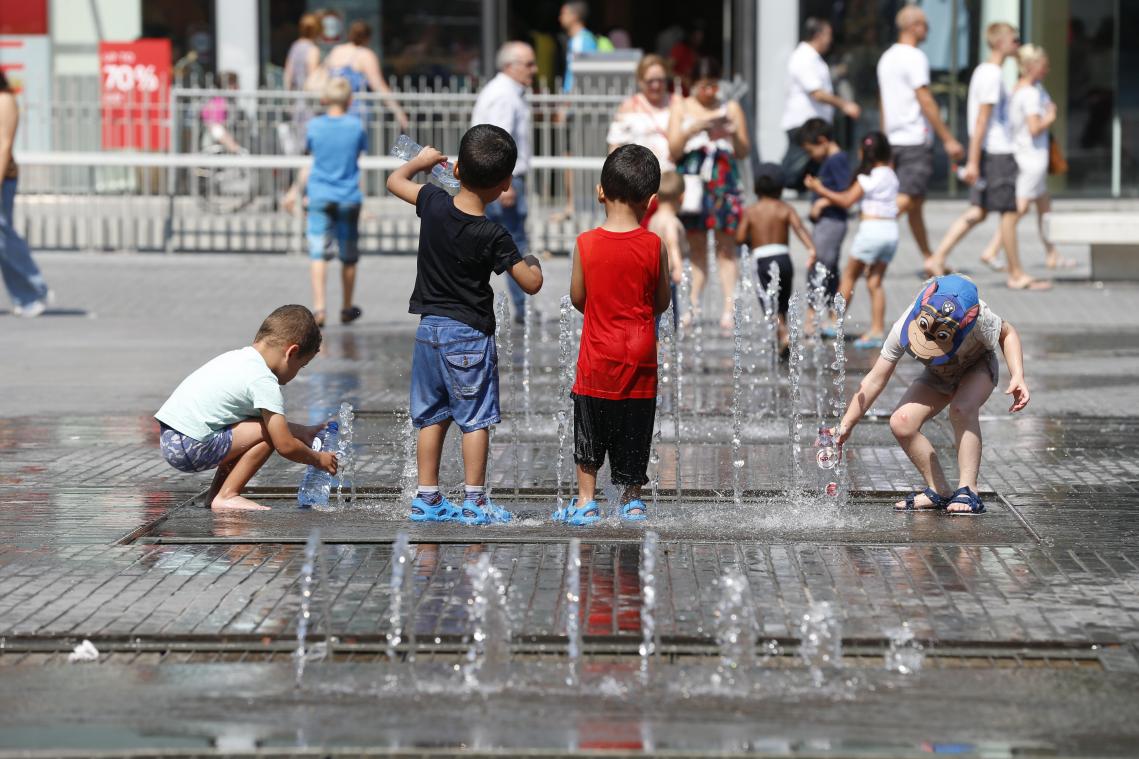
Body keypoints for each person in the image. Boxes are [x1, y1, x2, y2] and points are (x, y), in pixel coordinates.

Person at [386, 124, 544, 525]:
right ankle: (474, 500)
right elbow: (530, 283)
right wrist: (532, 260)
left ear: (456, 170)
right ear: (505, 185)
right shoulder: (494, 234)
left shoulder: (434, 202)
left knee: (432, 416)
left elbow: (394, 181)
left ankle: (427, 496)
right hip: (468, 337)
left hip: (429, 332)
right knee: (475, 419)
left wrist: (420, 162)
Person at [831, 274, 1030, 514]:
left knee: (962, 409)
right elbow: (875, 379)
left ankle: (969, 490)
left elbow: (1008, 334)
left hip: (977, 367)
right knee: (901, 422)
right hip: (939, 375)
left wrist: (1017, 375)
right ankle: (939, 490)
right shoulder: (905, 325)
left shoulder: (980, 319)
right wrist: (845, 425)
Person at [552, 144, 671, 525]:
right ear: (650, 200)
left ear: (600, 191)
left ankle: (586, 501)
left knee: (589, 430)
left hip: (597, 360)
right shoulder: (654, 245)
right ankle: (633, 500)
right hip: (641, 360)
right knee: (635, 427)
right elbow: (662, 302)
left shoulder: (585, 243)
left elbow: (577, 297)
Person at [155, 305, 336, 511]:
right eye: (301, 366)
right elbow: (284, 445)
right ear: (292, 352)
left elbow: (252, 426)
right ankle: (228, 495)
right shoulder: (263, 381)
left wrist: (302, 432)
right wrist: (318, 459)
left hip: (172, 439)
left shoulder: (238, 358)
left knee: (254, 427)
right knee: (270, 434)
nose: (297, 373)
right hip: (192, 446)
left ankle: (216, 496)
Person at [928, 23, 1049, 291]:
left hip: (991, 151)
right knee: (1009, 212)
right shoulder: (992, 74)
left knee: (980, 210)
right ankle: (1016, 273)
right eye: (1015, 40)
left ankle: (937, 257)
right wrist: (973, 161)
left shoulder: (986, 72)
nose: (1018, 45)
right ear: (1000, 43)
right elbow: (982, 120)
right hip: (997, 152)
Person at [877, 6, 964, 274]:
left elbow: (884, 103)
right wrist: (948, 138)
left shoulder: (887, 58)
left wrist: (884, 139)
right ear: (913, 26)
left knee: (916, 204)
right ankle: (871, 233)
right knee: (907, 199)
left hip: (894, 139)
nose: (928, 29)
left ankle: (929, 258)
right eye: (925, 24)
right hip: (914, 138)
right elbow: (925, 99)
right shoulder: (914, 57)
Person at [667, 57, 750, 331]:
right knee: (696, 246)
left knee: (726, 246)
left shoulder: (730, 107)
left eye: (713, 86)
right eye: (703, 86)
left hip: (724, 179)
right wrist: (692, 129)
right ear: (693, 84)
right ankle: (693, 306)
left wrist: (731, 132)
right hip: (693, 181)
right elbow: (673, 149)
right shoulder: (681, 107)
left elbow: (743, 151)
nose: (709, 92)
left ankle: (729, 307)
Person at [979, 44, 1074, 272]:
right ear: (1031, 66)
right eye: (1044, 65)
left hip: (1026, 154)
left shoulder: (1018, 90)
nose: (1047, 70)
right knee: (1018, 208)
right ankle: (992, 250)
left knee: (1044, 206)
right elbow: (1034, 128)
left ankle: (1052, 253)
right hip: (1032, 158)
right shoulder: (1031, 94)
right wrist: (1050, 116)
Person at [283, 78, 368, 327]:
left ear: (324, 99)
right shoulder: (356, 127)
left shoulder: (315, 126)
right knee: (348, 254)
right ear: (350, 101)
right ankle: (347, 306)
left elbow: (312, 160)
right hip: (348, 196)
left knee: (318, 252)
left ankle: (319, 308)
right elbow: (356, 159)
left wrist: (294, 191)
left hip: (319, 194)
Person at [806, 131, 900, 350]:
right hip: (891, 232)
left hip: (871, 231)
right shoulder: (891, 175)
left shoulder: (867, 178)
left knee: (849, 276)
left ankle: (833, 322)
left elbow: (847, 200)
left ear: (864, 153)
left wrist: (820, 189)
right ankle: (877, 330)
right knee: (875, 282)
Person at [471, 41, 536, 323]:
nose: (534, 69)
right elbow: (498, 143)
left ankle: (521, 307)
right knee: (512, 244)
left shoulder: (506, 92)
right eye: (529, 64)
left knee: (498, 243)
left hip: (503, 179)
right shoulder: (504, 96)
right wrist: (503, 182)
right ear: (511, 66)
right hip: (504, 181)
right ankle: (523, 309)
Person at [735, 163, 816, 353]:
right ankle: (783, 338)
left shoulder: (751, 211)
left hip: (762, 260)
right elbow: (799, 228)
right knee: (782, 302)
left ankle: (782, 334)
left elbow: (739, 237)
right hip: (784, 258)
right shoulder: (785, 208)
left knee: (769, 304)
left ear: (756, 188)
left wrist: (752, 238)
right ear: (781, 188)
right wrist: (811, 249)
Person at [781, 18, 862, 191]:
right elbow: (817, 93)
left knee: (814, 172)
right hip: (804, 125)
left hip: (815, 125)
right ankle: (772, 193)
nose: (830, 40)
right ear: (818, 35)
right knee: (792, 172)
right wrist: (844, 105)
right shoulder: (804, 57)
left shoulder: (814, 59)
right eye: (828, 35)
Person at [0, 69, 52, 317]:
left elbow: (4, 144)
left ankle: (33, 289)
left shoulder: (5, 100)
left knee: (3, 236)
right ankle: (27, 295)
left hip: (3, 178)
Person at [798, 118, 851, 315]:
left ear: (822, 140)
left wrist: (821, 201)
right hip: (828, 222)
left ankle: (813, 314)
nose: (810, 155)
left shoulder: (837, 160)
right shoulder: (832, 160)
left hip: (832, 222)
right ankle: (827, 312)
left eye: (810, 150)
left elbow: (846, 193)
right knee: (828, 267)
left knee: (818, 264)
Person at [322, 20, 409, 130]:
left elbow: (324, 78)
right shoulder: (366, 55)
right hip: (356, 113)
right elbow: (378, 85)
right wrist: (398, 112)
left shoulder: (336, 51)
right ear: (368, 38)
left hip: (332, 111)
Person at [607, 54, 675, 171]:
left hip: (671, 175)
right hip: (639, 175)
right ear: (640, 81)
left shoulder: (676, 102)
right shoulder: (629, 106)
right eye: (650, 81)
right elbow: (615, 145)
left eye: (660, 80)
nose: (656, 85)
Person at [646, 171, 687, 320]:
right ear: (681, 197)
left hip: (653, 275)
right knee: (670, 315)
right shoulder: (671, 221)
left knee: (656, 315)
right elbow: (672, 244)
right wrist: (679, 268)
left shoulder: (654, 219)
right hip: (667, 275)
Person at [281, 12, 323, 153]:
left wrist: (288, 99)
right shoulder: (313, 49)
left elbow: (288, 75)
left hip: (297, 101)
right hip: (309, 103)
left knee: (300, 144)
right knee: (311, 145)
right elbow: (313, 79)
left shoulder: (295, 46)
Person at [559, 1, 598, 94]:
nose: (560, 17)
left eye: (564, 13)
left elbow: (579, 72)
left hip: (575, 96)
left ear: (574, 16)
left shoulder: (580, 41)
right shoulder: (581, 38)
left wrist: (569, 96)